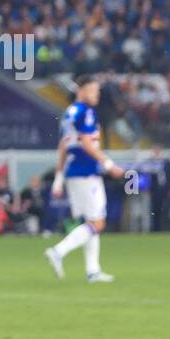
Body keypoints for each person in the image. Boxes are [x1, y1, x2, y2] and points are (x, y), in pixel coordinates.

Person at [45, 75, 123, 282]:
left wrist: (59, 178)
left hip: (73, 173)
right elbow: (88, 144)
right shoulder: (86, 112)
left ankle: (93, 271)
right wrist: (108, 164)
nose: (96, 95)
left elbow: (63, 146)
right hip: (86, 172)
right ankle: (58, 251)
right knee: (98, 223)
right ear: (82, 91)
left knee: (90, 221)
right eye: (93, 91)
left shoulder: (69, 113)